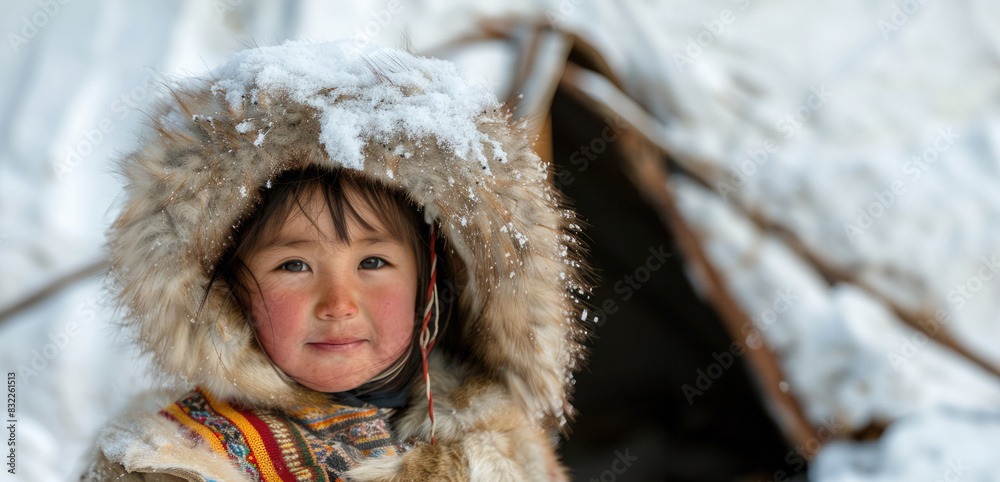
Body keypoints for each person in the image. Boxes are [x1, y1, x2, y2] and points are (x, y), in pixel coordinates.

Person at [81, 39, 592, 481]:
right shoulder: (175, 463)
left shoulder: (500, 441)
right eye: (294, 266)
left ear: (431, 280)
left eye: (372, 263)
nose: (339, 304)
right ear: (225, 291)